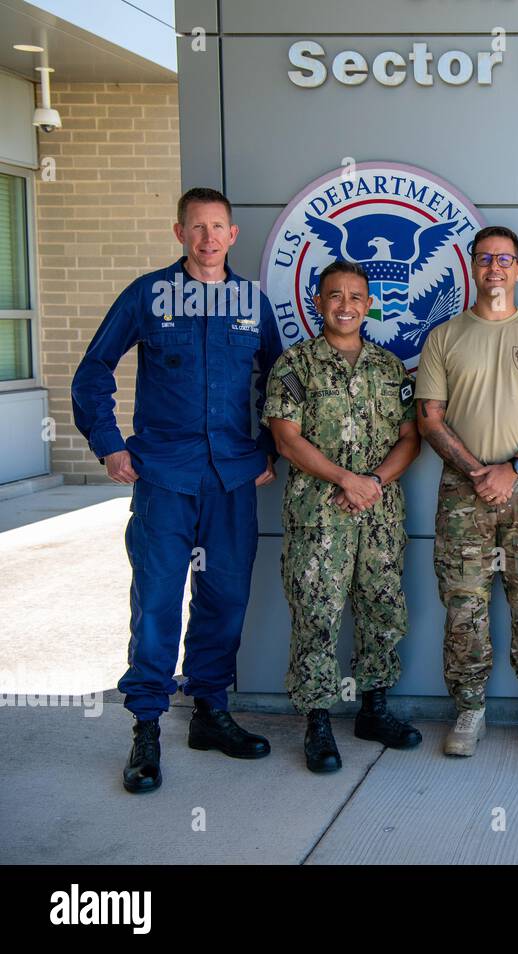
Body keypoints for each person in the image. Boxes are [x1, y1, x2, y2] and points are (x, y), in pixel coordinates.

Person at [71, 187, 281, 793]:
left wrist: (267, 447)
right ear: (179, 233)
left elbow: (279, 379)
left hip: (232, 480)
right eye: (197, 227)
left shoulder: (251, 302)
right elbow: (93, 369)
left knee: (225, 597)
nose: (208, 238)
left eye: (218, 227)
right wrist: (110, 442)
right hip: (163, 476)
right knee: (158, 598)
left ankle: (210, 713)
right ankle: (146, 726)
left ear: (233, 235)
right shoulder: (147, 296)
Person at [415, 226, 518, 758]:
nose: (495, 268)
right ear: (471, 265)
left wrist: (514, 467)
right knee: (464, 603)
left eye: (505, 259)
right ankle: (469, 710)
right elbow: (430, 420)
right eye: (485, 258)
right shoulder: (444, 336)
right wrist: (479, 472)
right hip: (462, 494)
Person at [263, 260, 423, 773]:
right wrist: (344, 479)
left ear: (369, 303)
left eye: (356, 296)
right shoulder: (294, 366)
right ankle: (317, 722)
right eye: (335, 296)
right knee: (317, 615)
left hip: (379, 514)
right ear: (319, 302)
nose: (346, 305)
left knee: (382, 610)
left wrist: (372, 482)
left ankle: (373, 709)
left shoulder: (389, 367)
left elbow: (410, 438)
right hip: (320, 516)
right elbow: (286, 439)